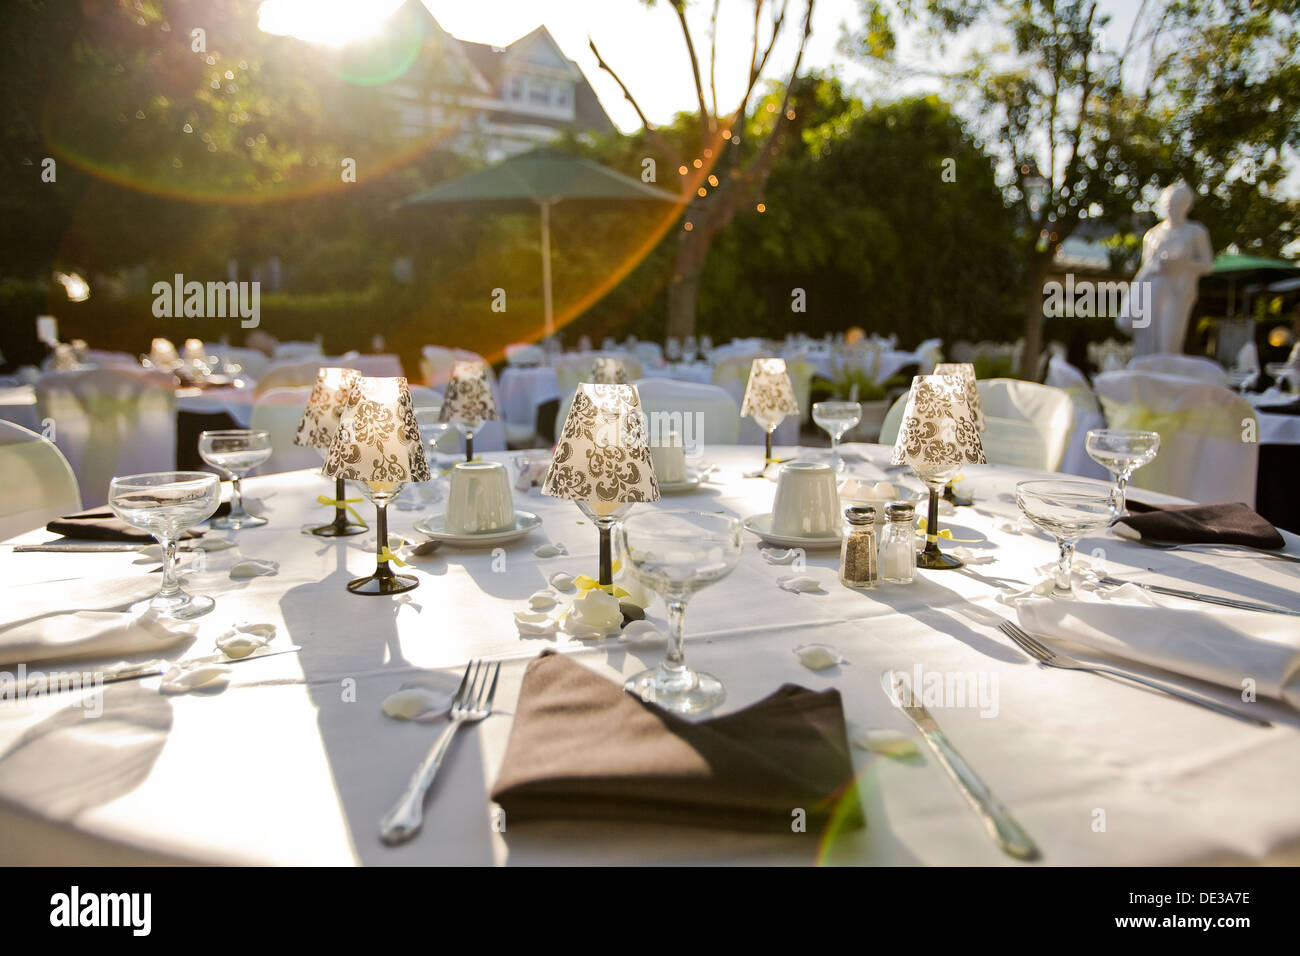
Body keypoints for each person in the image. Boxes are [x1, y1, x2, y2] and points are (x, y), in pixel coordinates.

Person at [1119, 181, 1215, 356]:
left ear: (1186, 206)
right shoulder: (1152, 235)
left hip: (1178, 289)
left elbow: (1208, 265)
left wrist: (1184, 264)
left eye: (1177, 204)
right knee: (1145, 343)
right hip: (1152, 288)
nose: (1172, 208)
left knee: (1168, 343)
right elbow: (1145, 266)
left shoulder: (1195, 232)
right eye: (1169, 203)